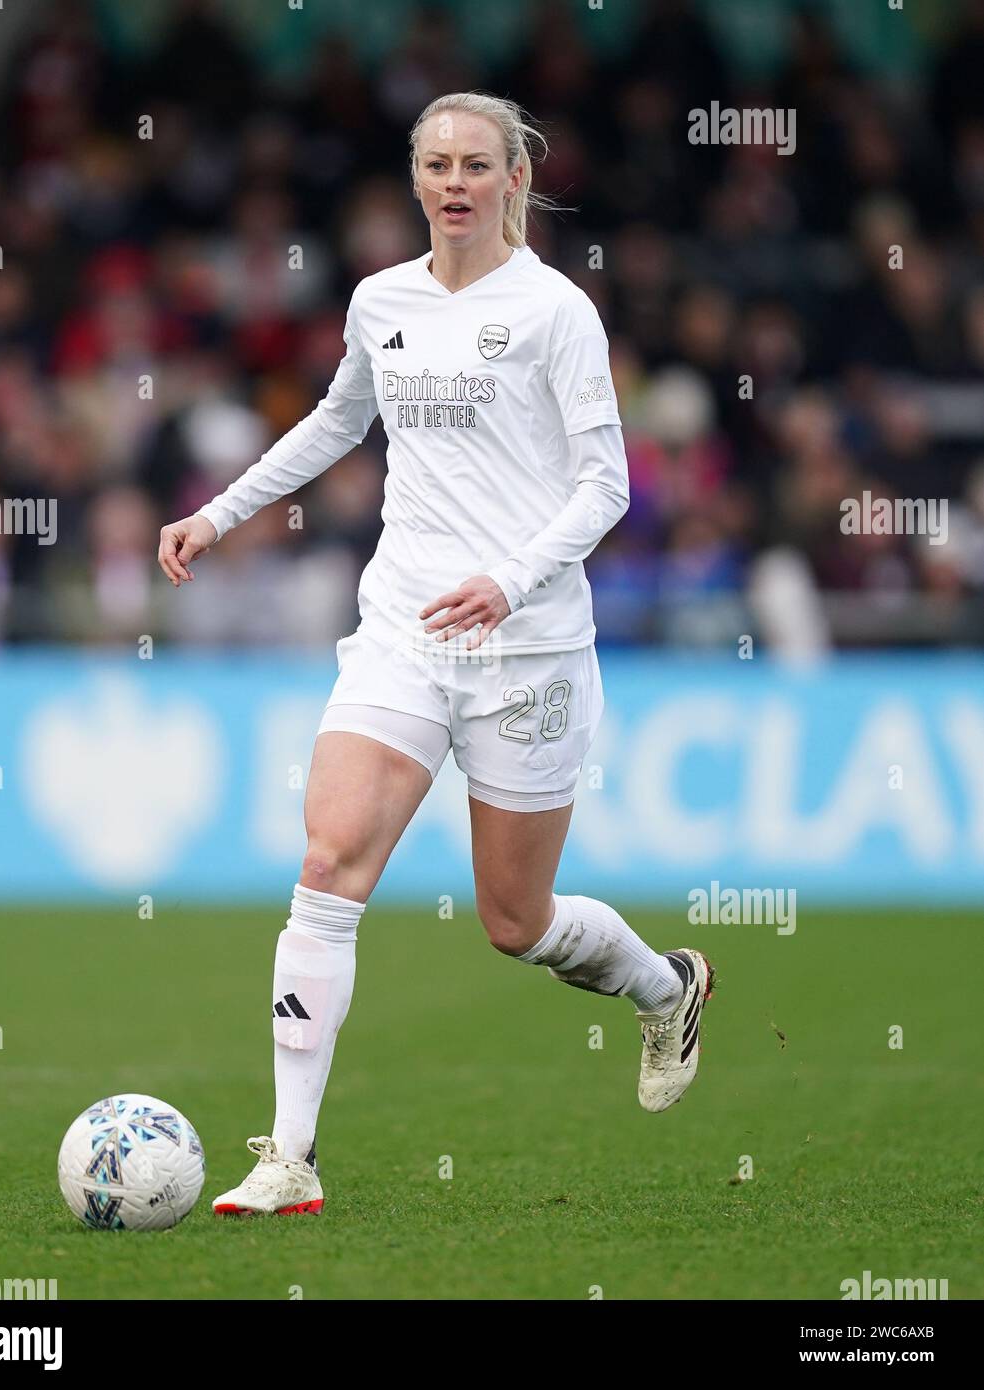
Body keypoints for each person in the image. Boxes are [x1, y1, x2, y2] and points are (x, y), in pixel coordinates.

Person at [158, 92, 715, 1217]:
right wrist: (218, 514)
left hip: (528, 649)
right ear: (413, 180)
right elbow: (334, 421)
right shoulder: (381, 301)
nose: (454, 181)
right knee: (328, 862)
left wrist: (509, 580)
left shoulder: (557, 313)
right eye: (433, 164)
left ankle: (667, 986)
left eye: (474, 163)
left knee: (515, 920)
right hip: (404, 629)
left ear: (514, 177)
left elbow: (605, 484)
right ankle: (289, 1157)